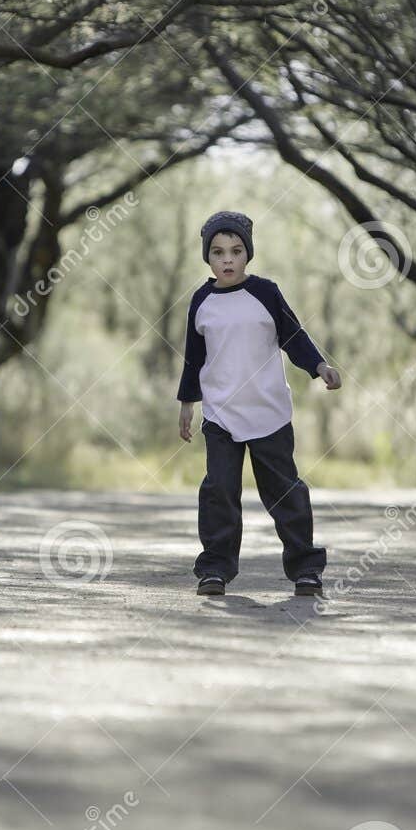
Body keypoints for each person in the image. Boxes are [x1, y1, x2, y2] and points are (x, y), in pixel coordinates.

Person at [175, 210, 340, 597]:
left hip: (269, 413)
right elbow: (193, 359)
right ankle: (214, 569)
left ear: (248, 254)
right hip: (220, 414)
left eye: (235, 251)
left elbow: (294, 336)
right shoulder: (201, 300)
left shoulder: (265, 293)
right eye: (217, 252)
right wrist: (187, 403)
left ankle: (305, 569)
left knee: (285, 492)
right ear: (208, 258)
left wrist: (319, 366)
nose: (227, 259)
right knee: (219, 491)